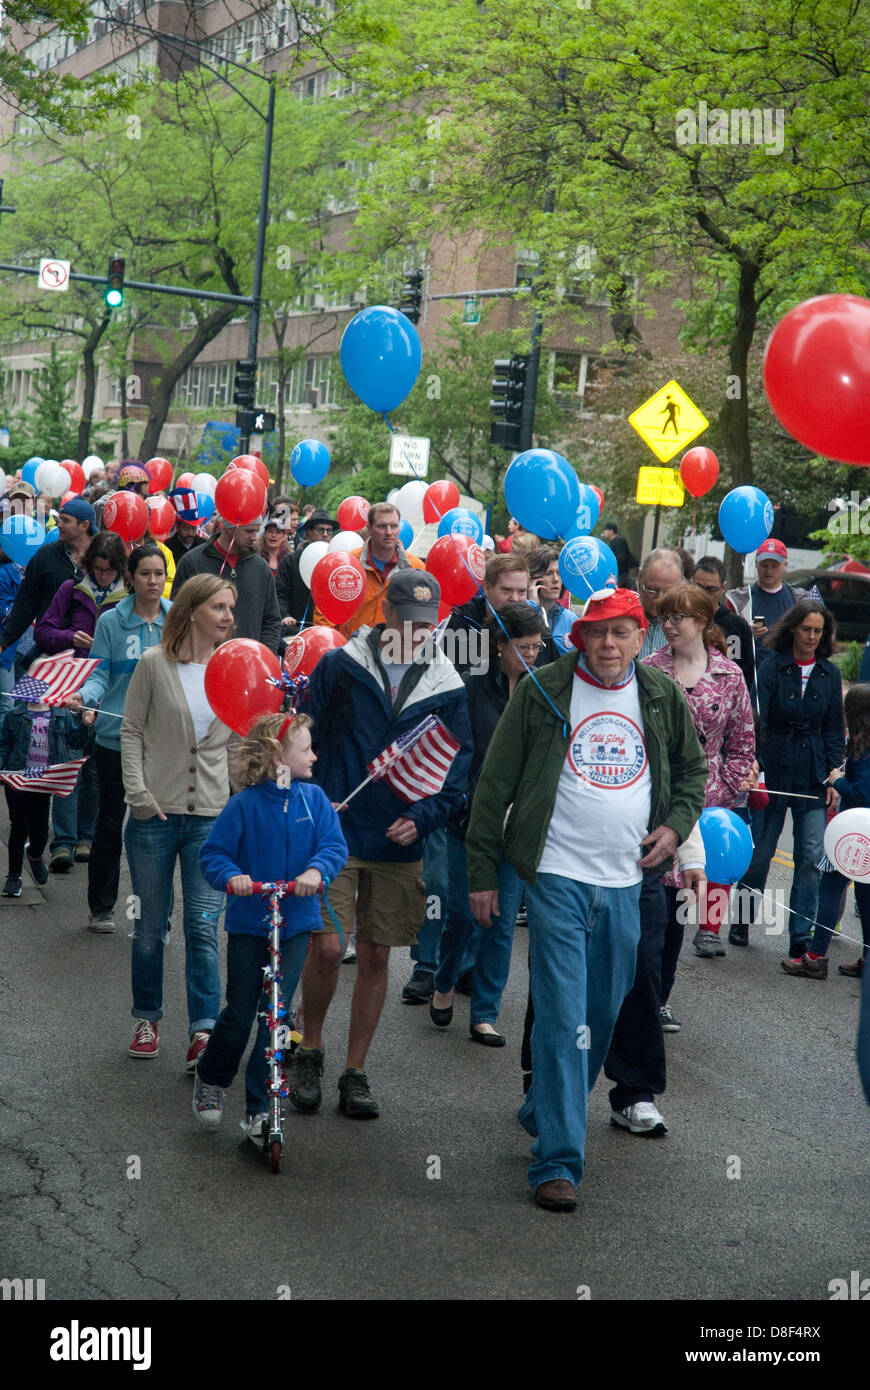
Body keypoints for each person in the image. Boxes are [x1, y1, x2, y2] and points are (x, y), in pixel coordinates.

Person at [465, 587, 707, 1211]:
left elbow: (691, 771)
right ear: (580, 637)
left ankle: (544, 1103)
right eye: (598, 632)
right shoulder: (543, 689)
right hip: (556, 877)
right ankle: (558, 1161)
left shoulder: (660, 693)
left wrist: (677, 826)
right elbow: (495, 783)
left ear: (638, 637)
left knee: (602, 1010)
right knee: (564, 1014)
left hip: (629, 882)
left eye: (622, 632)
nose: (608, 643)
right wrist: (482, 873)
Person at [289, 569, 472, 1119]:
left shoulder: (448, 685)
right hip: (335, 833)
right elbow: (301, 738)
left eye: (426, 623)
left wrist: (423, 817)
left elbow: (458, 773)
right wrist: (317, 801)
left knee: (374, 954)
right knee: (325, 946)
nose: (416, 632)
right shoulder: (340, 665)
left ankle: (355, 1071)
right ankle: (311, 1050)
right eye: (406, 620)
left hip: (399, 840)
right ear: (385, 613)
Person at [192, 712, 348, 1136]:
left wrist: (317, 871)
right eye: (306, 748)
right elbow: (213, 854)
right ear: (278, 754)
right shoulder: (242, 804)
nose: (314, 755)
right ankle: (211, 1077)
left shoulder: (314, 801)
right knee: (240, 1013)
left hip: (296, 924)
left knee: (274, 1016)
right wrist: (232, 877)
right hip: (249, 923)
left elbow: (334, 846)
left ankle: (260, 1108)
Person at [120, 575, 236, 1067]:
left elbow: (235, 747)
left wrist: (242, 803)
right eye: (219, 607)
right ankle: (147, 1018)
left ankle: (203, 1031)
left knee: (204, 926)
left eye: (231, 607)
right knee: (150, 927)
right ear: (191, 612)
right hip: (153, 816)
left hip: (210, 816)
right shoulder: (153, 664)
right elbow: (131, 731)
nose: (229, 616)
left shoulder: (233, 670)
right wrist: (139, 795)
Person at [430, 603, 549, 1042]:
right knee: (462, 912)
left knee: (500, 921)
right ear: (499, 646)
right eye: (522, 647)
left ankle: (484, 1012)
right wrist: (459, 800)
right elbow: (456, 751)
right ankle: (443, 980)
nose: (531, 656)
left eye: (537, 647)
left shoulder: (544, 688)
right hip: (472, 818)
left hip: (520, 822)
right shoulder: (471, 687)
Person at [645, 586, 755, 1019]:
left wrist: (718, 796)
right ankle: (634, 996)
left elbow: (743, 744)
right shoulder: (649, 670)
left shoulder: (730, 676)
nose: (670, 625)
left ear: (704, 622)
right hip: (652, 804)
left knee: (677, 915)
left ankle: (659, 1000)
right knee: (646, 912)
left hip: (704, 810)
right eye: (665, 617)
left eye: (680, 617)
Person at [65, 544, 170, 932]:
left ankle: (153, 911)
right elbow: (99, 674)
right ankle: (103, 907)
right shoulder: (110, 621)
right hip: (114, 738)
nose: (153, 581)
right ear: (131, 577)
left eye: (159, 573)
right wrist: (84, 697)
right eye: (145, 574)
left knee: (155, 831)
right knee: (110, 825)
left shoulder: (177, 619)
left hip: (162, 744)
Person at [735, 600, 845, 956]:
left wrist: (834, 775)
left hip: (813, 774)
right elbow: (758, 719)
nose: (812, 636)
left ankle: (801, 935)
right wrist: (757, 766)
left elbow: (832, 728)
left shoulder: (830, 673)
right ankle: (742, 919)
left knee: (811, 857)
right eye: (806, 629)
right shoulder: (771, 667)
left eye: (818, 631)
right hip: (775, 763)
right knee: (761, 853)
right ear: (793, 629)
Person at [33, 529, 128, 874]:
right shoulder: (70, 590)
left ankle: (86, 836)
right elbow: (43, 631)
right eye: (99, 570)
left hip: (109, 692)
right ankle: (62, 842)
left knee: (93, 768)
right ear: (90, 565)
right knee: (65, 763)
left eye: (110, 571)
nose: (104, 577)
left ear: (120, 569)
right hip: (69, 688)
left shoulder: (127, 600)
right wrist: (67, 636)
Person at [781, 684, 870, 980]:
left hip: (853, 831)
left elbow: (862, 791)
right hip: (864, 832)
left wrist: (837, 780)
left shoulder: (864, 747)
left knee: (830, 888)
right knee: (866, 898)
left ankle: (816, 956)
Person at [0, 688, 89, 897]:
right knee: (19, 826)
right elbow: (4, 744)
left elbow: (75, 742)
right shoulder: (15, 715)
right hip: (18, 778)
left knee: (40, 828)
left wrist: (85, 724)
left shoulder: (60, 714)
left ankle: (34, 854)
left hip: (44, 780)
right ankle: (14, 876)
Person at [0, 497, 98, 664]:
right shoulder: (45, 556)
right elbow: (25, 604)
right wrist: (3, 641)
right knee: (26, 691)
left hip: (91, 655)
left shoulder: (103, 557)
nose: (59, 525)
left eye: (66, 521)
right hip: (50, 650)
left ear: (84, 525)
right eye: (60, 519)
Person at [312, 502, 426, 638]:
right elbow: (325, 614)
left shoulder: (416, 568)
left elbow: (424, 616)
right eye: (382, 526)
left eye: (394, 526)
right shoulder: (347, 564)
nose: (389, 532)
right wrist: (332, 647)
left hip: (394, 652)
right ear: (369, 528)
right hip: (350, 651)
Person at [171, 513, 281, 652]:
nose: (254, 537)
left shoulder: (261, 567)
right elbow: (178, 615)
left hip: (250, 662)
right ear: (229, 528)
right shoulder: (192, 562)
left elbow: (271, 619)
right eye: (249, 531)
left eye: (256, 530)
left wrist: (265, 654)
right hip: (201, 661)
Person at [725, 538, 807, 670]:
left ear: (785, 565)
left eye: (774, 566)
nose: (769, 571)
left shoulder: (800, 600)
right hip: (749, 678)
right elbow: (725, 646)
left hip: (787, 676)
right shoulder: (738, 601)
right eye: (764, 565)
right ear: (756, 563)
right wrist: (745, 633)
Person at [693, 555, 756, 694]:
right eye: (699, 587)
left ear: (723, 588)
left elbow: (747, 674)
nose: (703, 594)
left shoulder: (738, 626)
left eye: (710, 589)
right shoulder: (680, 620)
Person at [275, 509, 338, 634]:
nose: (325, 534)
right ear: (308, 533)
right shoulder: (290, 561)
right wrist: (285, 615)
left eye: (329, 531)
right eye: (320, 530)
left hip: (329, 631)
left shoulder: (338, 563)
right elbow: (280, 594)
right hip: (295, 630)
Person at [636, 548, 684, 658]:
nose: (659, 599)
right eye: (652, 590)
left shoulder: (687, 627)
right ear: (640, 577)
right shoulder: (624, 617)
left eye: (668, 592)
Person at [528, 547, 574, 654]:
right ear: (534, 578)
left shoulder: (570, 620)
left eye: (559, 573)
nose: (556, 579)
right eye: (549, 573)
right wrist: (531, 607)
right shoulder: (522, 613)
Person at [165, 489, 206, 566]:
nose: (190, 533)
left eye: (193, 528)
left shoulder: (204, 546)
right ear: (177, 526)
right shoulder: (168, 547)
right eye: (186, 528)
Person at [600, 522, 637, 586]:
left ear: (611, 531)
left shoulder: (619, 541)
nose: (604, 532)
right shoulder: (613, 542)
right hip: (616, 573)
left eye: (605, 530)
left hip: (621, 573)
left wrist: (611, 561)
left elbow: (622, 557)